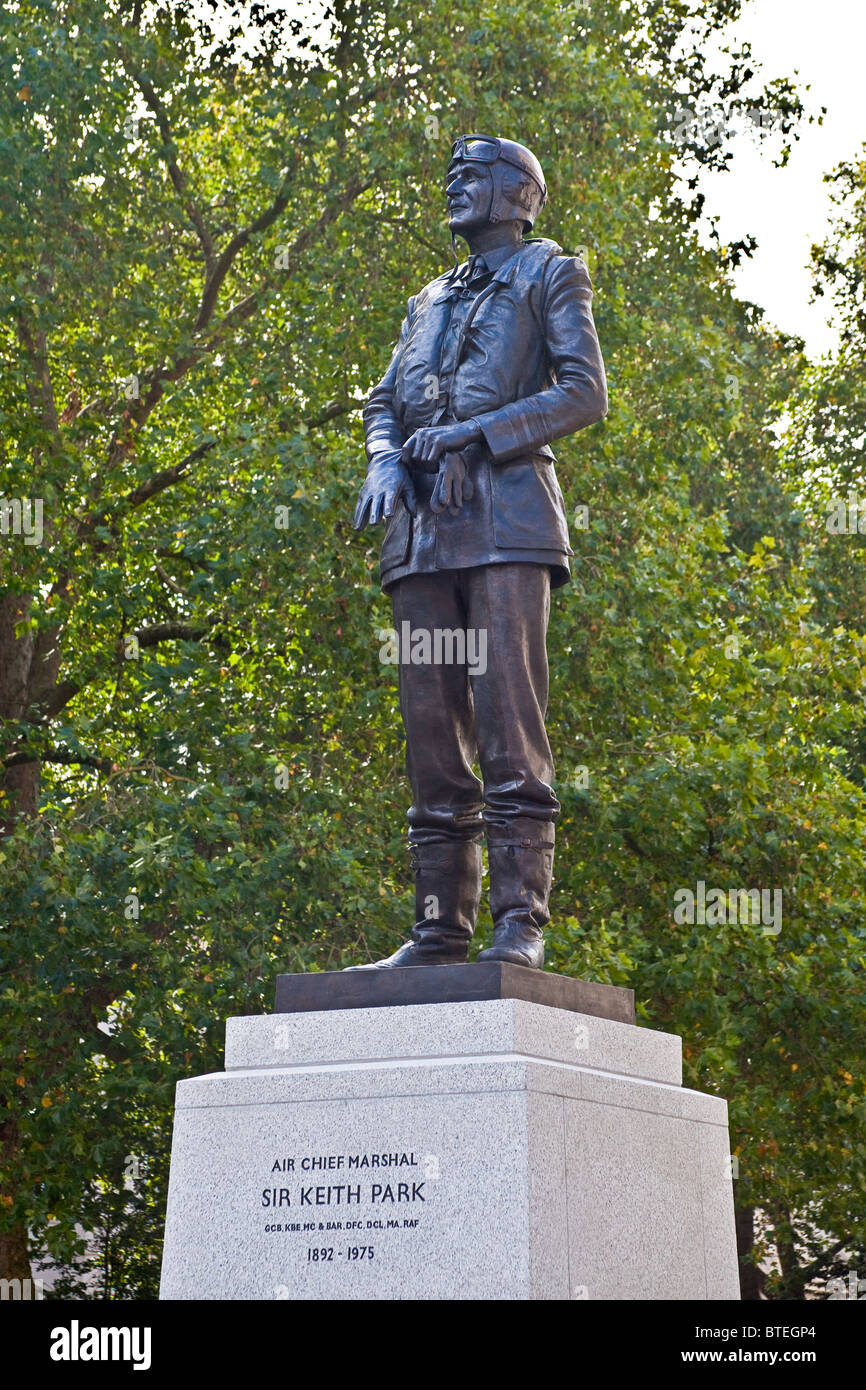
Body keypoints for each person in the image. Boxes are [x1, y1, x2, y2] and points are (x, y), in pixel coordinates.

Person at [349, 135, 607, 970]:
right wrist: (386, 456)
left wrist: (476, 434)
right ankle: (437, 929)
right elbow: (384, 399)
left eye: (476, 176)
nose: (457, 186)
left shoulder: (550, 273)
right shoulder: (425, 298)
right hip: (420, 530)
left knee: (507, 720)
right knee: (430, 732)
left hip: (508, 524)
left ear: (521, 194)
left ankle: (518, 923)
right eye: (452, 176)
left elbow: (583, 392)